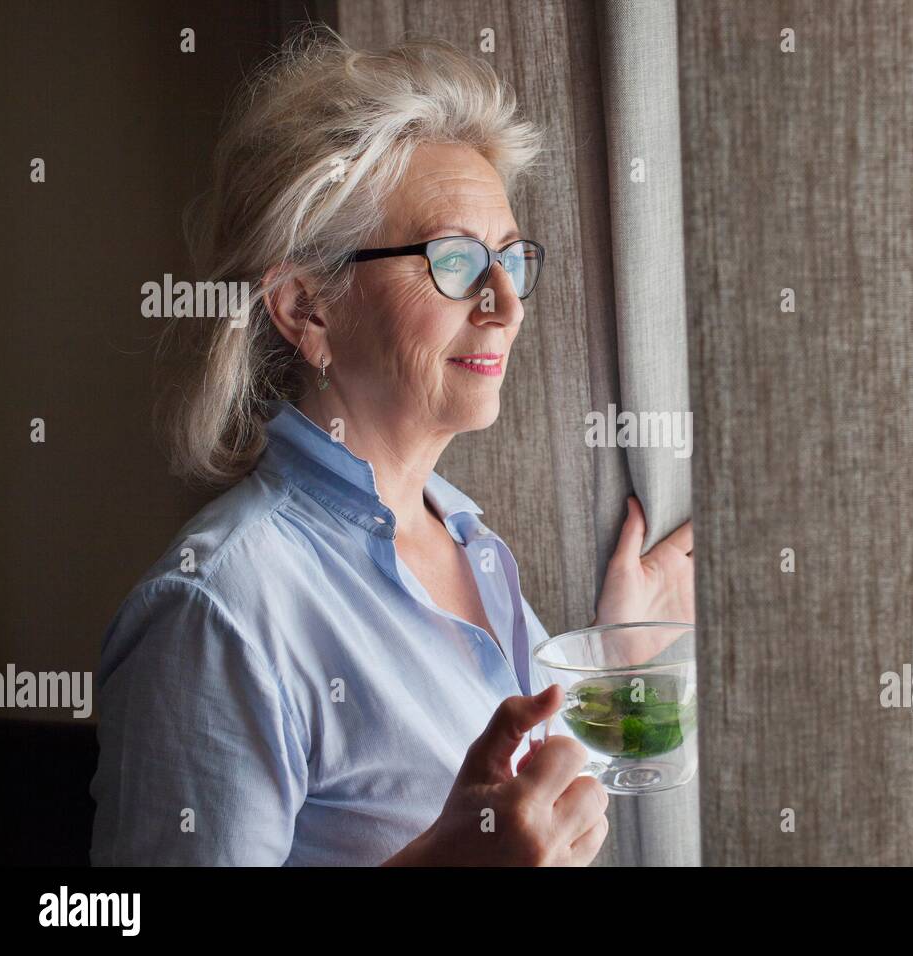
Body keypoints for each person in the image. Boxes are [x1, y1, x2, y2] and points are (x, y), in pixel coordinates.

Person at [88, 27, 695, 866]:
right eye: (453, 260)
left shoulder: (464, 538)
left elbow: (519, 806)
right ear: (307, 308)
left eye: (512, 262)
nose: (506, 304)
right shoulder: (218, 611)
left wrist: (617, 648)